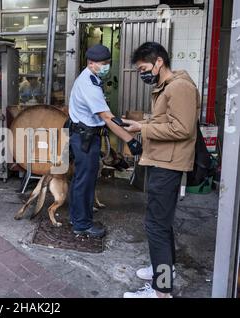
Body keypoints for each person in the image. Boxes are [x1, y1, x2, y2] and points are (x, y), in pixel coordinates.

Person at [122, 42, 200, 298]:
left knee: (156, 226)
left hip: (169, 165)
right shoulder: (167, 87)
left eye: (144, 68)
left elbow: (182, 129)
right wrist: (141, 123)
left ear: (159, 62)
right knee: (161, 224)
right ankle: (163, 270)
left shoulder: (179, 88)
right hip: (161, 161)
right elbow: (165, 121)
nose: (143, 73)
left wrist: (142, 129)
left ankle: (161, 290)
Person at [68, 44, 142, 239]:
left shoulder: (92, 78)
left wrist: (128, 123)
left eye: (108, 63)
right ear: (91, 63)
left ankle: (77, 217)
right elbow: (108, 118)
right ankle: (82, 225)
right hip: (84, 139)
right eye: (104, 64)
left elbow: (108, 117)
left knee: (81, 180)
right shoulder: (88, 84)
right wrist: (131, 141)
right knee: (85, 181)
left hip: (84, 137)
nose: (106, 67)